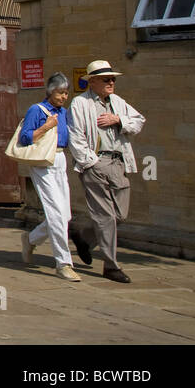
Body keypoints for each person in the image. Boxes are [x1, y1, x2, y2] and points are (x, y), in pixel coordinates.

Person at [66, 60, 145, 284]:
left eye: (113, 79)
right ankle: (111, 266)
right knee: (106, 216)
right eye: (106, 79)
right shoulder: (80, 104)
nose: (111, 82)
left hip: (119, 163)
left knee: (120, 215)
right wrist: (90, 162)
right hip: (96, 163)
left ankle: (85, 237)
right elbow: (76, 136)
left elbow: (139, 121)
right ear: (92, 82)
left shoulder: (118, 102)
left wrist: (118, 119)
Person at [18, 73, 81, 281]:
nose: (63, 97)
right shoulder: (37, 110)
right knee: (55, 213)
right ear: (50, 91)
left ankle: (31, 238)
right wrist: (46, 127)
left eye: (66, 93)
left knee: (65, 215)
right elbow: (25, 137)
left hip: (60, 160)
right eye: (60, 92)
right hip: (42, 162)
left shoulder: (63, 113)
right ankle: (63, 263)